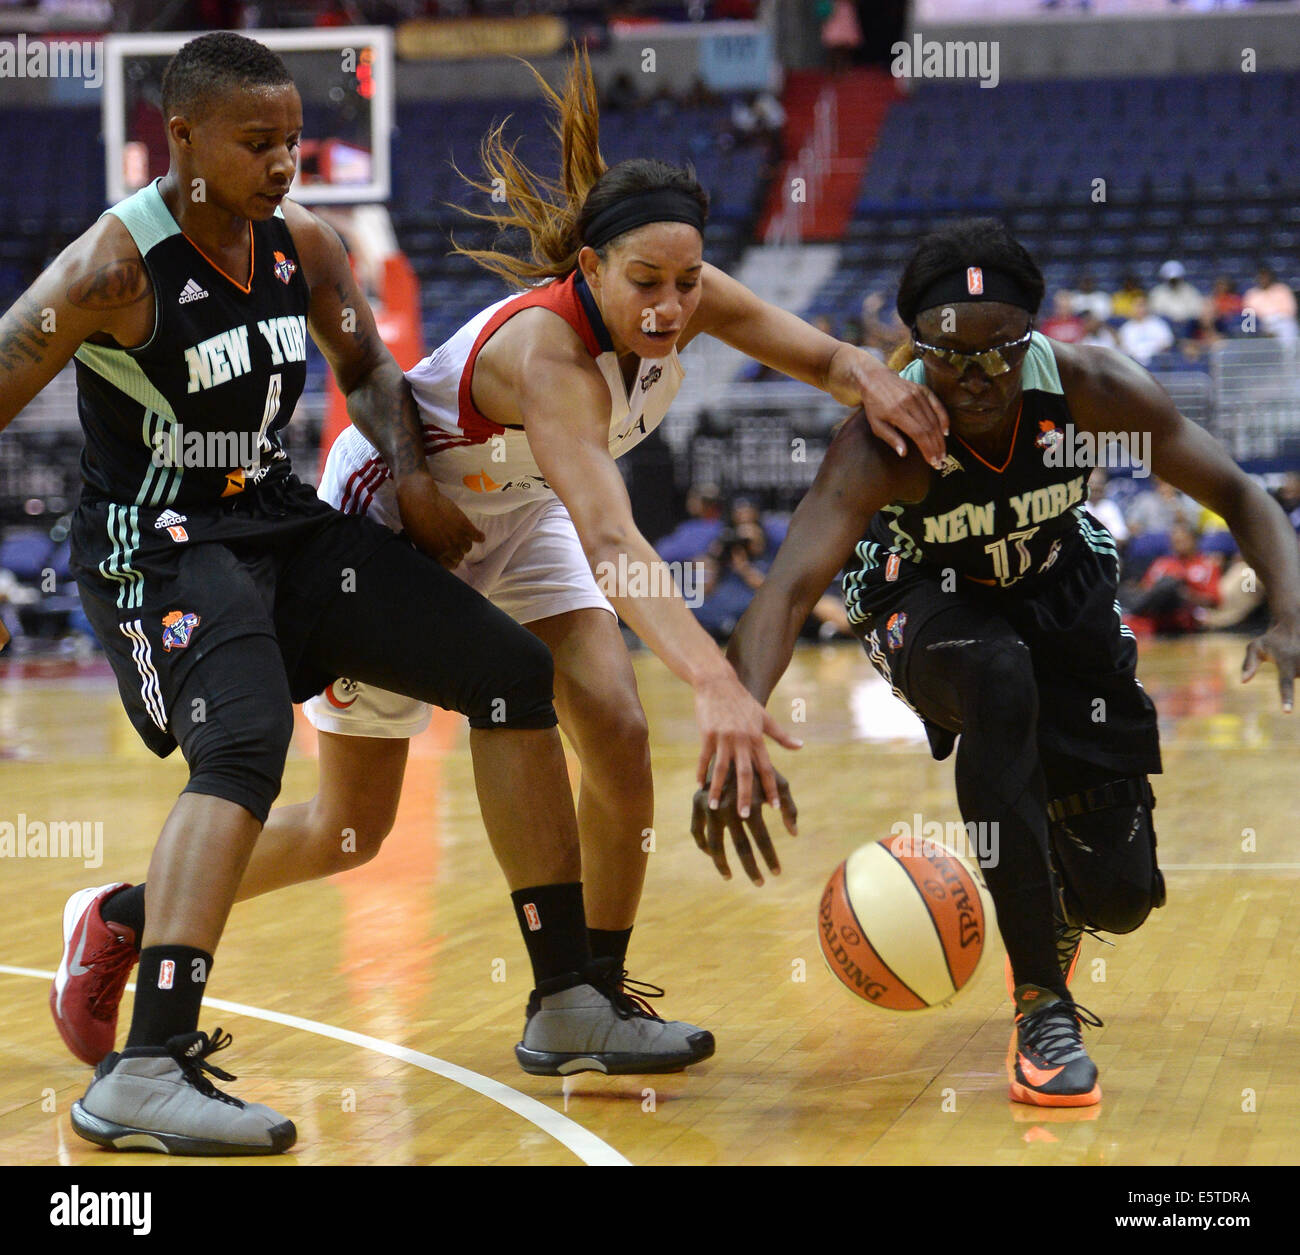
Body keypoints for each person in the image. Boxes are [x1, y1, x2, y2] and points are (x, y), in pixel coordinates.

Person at [50, 45, 949, 1092]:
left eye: (687, 283)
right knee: (352, 830)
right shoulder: (551, 360)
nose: (669, 307)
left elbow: (826, 356)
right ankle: (123, 914)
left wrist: (879, 383)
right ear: (591, 272)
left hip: (523, 511)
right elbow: (616, 542)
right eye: (646, 284)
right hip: (398, 513)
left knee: (612, 723)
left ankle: (586, 995)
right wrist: (715, 684)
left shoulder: (684, 292)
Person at [23, 34, 709, 1157]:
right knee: (245, 751)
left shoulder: (304, 243)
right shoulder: (110, 268)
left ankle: (565, 999)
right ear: (179, 137)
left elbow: (372, 371)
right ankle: (144, 1066)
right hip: (158, 541)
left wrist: (422, 471)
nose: (287, 161)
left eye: (293, 138)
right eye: (259, 143)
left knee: (509, 673)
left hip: (278, 516)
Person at [689, 218, 1300, 1106]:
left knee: (1122, 897)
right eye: (948, 354)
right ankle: (1040, 1007)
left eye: (999, 352)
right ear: (911, 345)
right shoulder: (878, 441)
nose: (974, 379)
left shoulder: (1091, 387)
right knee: (997, 673)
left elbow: (1244, 493)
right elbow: (782, 595)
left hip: (1061, 583)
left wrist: (1289, 612)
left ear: (1034, 338)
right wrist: (734, 716)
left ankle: (1048, 880)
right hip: (924, 598)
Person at [1147, 261, 1203, 340]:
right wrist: (1171, 319)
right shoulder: (1157, 292)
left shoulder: (1190, 291)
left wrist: (1183, 319)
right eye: (1171, 280)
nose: (1173, 282)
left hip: (1186, 325)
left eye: (1176, 279)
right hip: (1166, 326)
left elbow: (1196, 310)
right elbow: (1155, 313)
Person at [1242, 265, 1299, 342]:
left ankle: (1290, 353)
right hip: (1261, 322)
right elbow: (1248, 313)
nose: (1263, 280)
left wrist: (1276, 318)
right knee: (1249, 328)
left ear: (1271, 278)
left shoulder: (1282, 289)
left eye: (1265, 277)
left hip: (1281, 320)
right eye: (1261, 277)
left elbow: (1291, 309)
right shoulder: (1251, 293)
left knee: (1288, 327)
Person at [1117, 295, 1174, 366]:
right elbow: (1124, 348)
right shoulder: (1126, 328)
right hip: (1134, 364)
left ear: (1147, 307)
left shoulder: (1158, 324)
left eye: (1142, 306)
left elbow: (1167, 342)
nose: (1140, 309)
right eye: (1137, 306)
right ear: (1132, 308)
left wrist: (1151, 352)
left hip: (1156, 362)